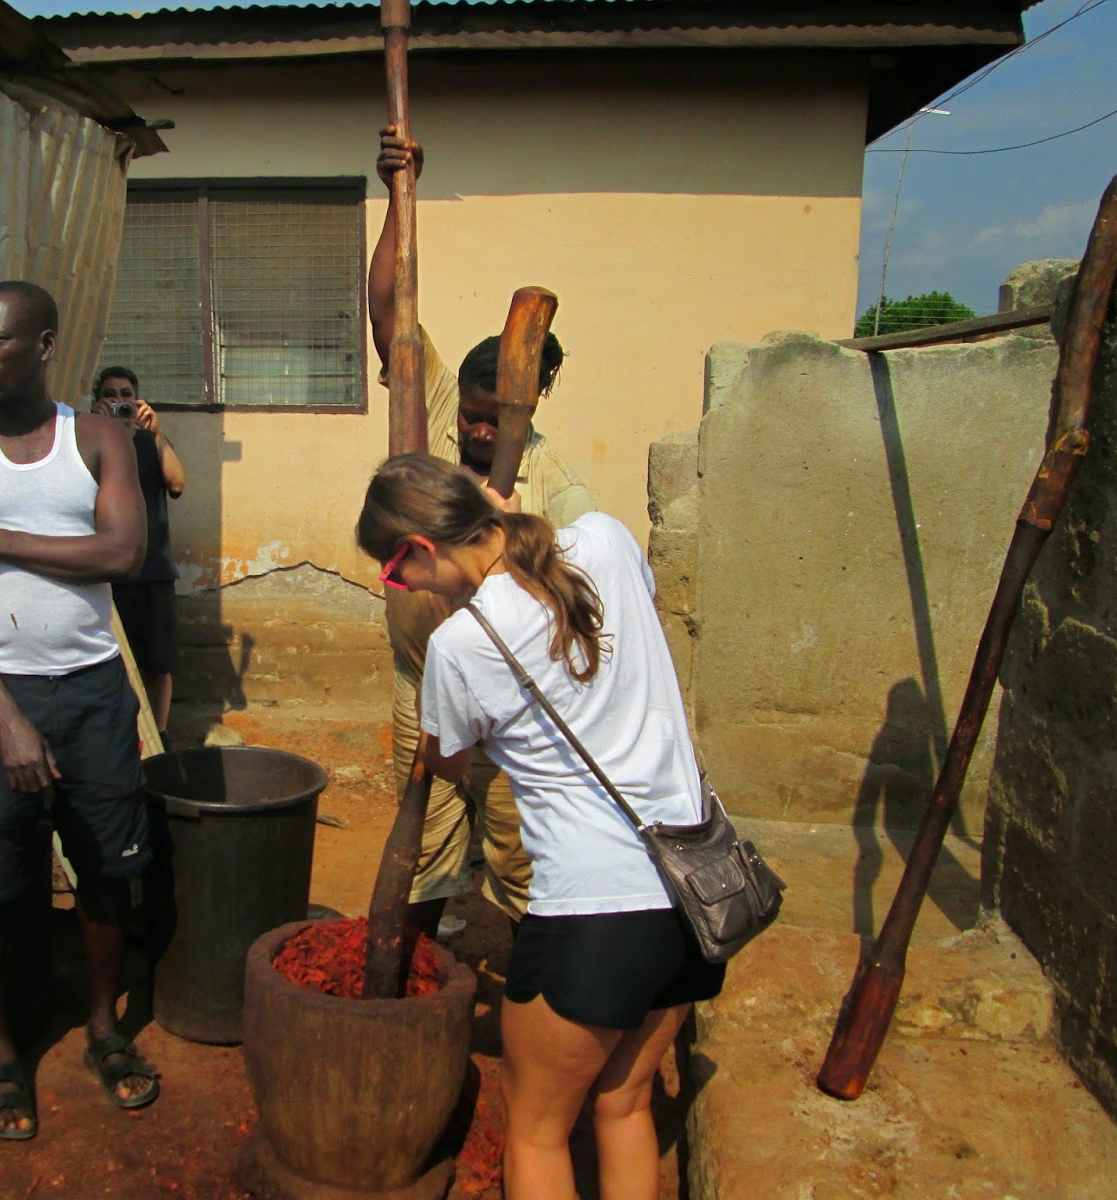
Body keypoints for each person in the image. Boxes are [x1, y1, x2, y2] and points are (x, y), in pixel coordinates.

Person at [356, 454, 724, 1200]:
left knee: (535, 1128)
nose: (402, 588)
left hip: (595, 912)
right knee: (625, 1103)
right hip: (696, 892)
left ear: (422, 548)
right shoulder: (607, 538)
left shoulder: (463, 643)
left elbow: (448, 762)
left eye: (396, 572)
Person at [0, 281, 161, 1141]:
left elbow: (123, 553)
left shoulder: (98, 439)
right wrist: (5, 718)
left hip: (92, 690)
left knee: (104, 869)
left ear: (45, 345)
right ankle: (1, 1056)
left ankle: (103, 1029)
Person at [370, 126, 594, 938]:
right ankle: (416, 964)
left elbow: (576, 602)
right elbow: (390, 312)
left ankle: (534, 971)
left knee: (517, 853)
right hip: (420, 677)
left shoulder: (556, 483)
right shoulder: (433, 409)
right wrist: (401, 196)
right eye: (468, 414)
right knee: (424, 837)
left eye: (490, 419)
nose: (473, 429)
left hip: (508, 703)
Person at [91, 366, 185, 743]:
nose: (120, 402)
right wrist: (93, 426)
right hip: (108, 572)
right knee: (112, 662)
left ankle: (160, 737)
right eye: (110, 395)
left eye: (126, 395)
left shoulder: (150, 443)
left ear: (138, 401)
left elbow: (177, 482)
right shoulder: (88, 444)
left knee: (159, 663)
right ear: (98, 402)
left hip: (153, 570)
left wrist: (158, 434)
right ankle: (120, 735)